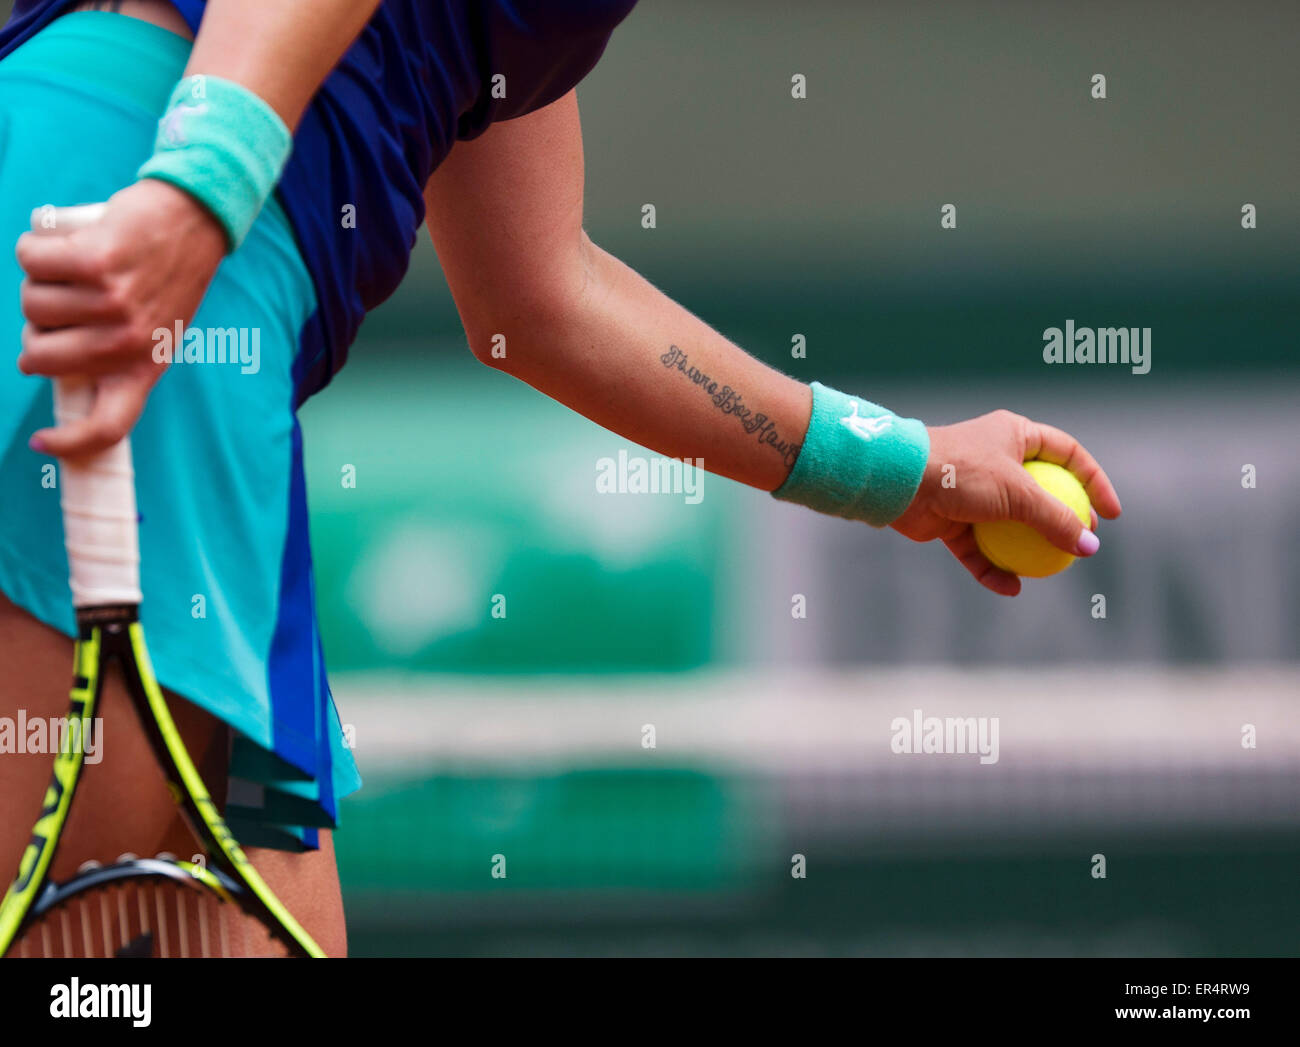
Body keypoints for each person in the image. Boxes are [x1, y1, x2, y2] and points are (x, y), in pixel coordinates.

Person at [0, 0, 1121, 956]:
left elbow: (536, 299)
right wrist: (202, 184)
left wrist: (901, 472)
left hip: (215, 308)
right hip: (135, 238)